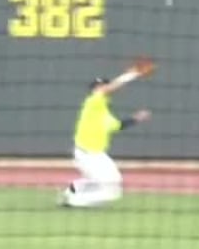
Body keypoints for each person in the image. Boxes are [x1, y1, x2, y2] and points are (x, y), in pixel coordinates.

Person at [59, 60, 154, 209]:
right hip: (88, 155)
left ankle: (71, 190)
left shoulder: (103, 112)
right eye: (99, 86)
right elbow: (105, 91)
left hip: (92, 155)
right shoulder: (93, 102)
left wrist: (136, 118)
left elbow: (118, 126)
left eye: (103, 84)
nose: (102, 88)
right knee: (112, 191)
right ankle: (74, 202)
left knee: (100, 182)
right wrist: (132, 74)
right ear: (94, 90)